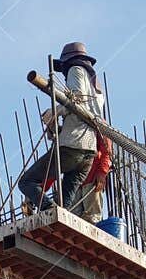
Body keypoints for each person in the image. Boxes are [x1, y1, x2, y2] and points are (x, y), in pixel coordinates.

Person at [17, 42, 106, 215]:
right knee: (64, 207)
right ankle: (57, 212)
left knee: (26, 182)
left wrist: (54, 112)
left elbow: (76, 99)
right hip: (88, 152)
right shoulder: (96, 88)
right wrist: (56, 128)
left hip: (72, 146)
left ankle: (48, 210)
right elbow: (83, 113)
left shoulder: (76, 70)